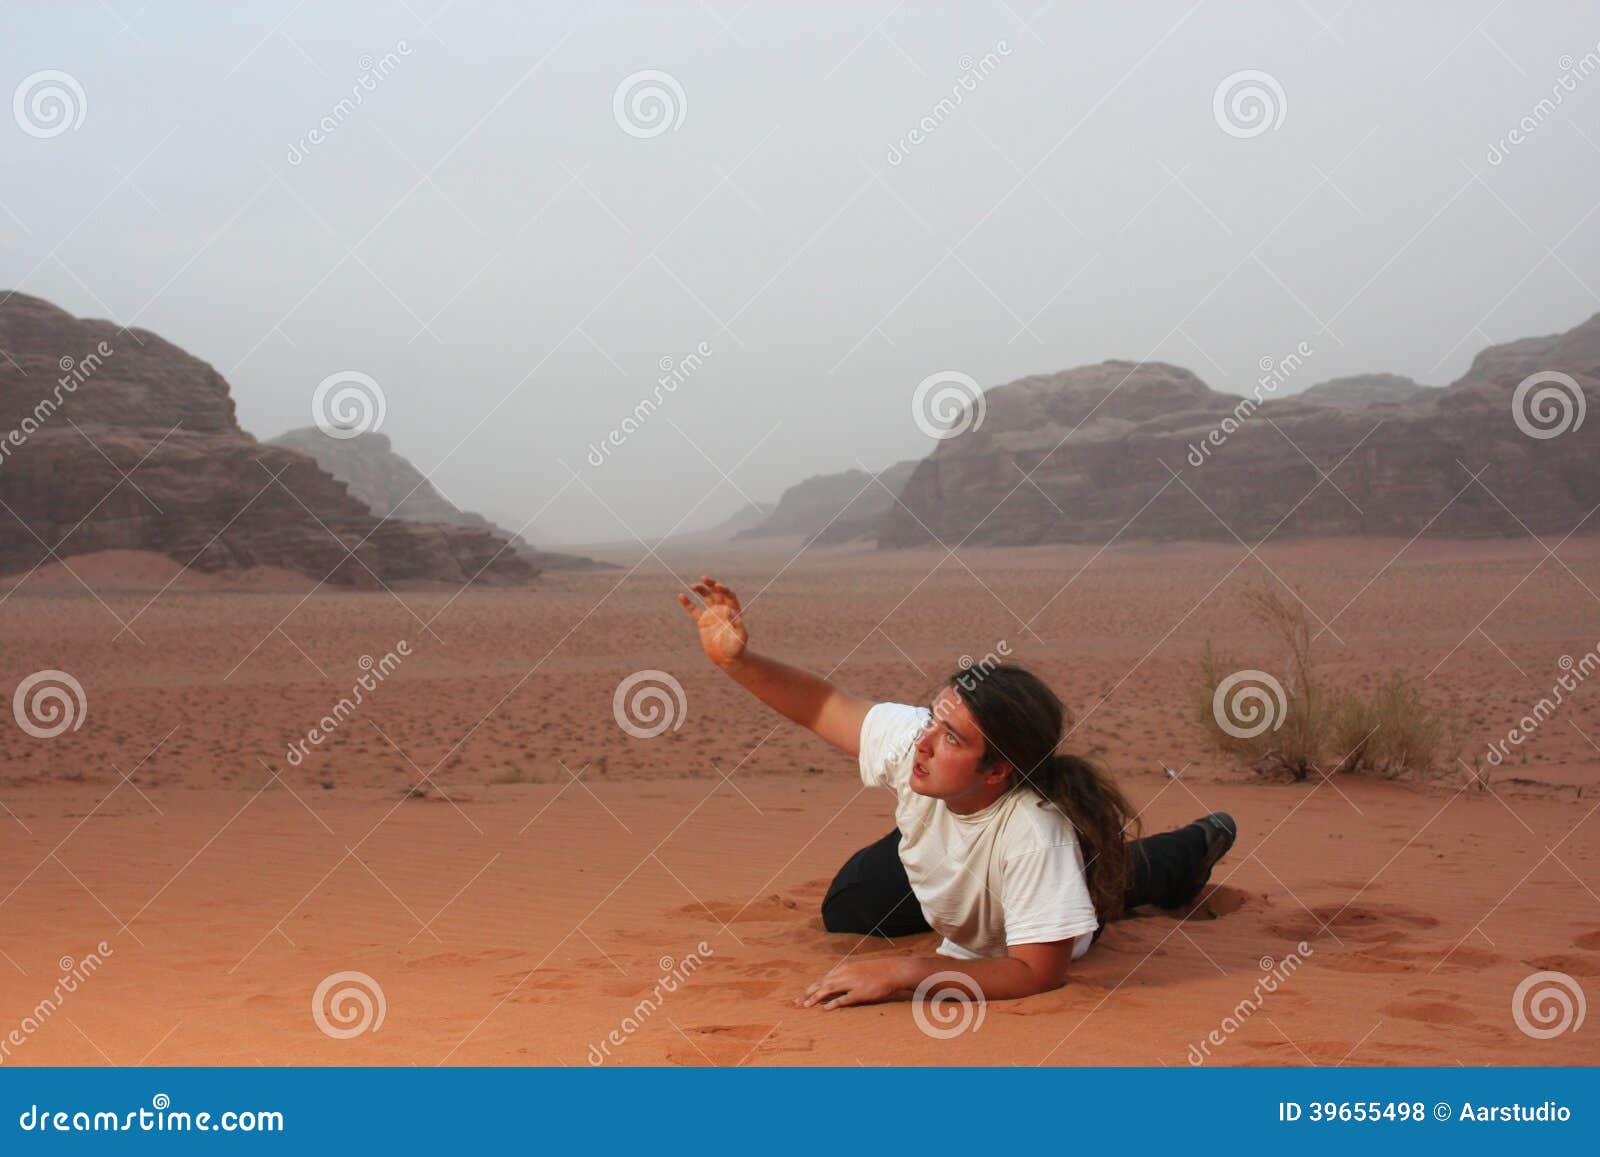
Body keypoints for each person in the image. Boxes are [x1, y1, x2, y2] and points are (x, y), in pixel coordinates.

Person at [677, 575, 1237, 1009]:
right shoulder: (919, 743)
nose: (924, 742)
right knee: (848, 907)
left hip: (1038, 870)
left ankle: (1190, 847)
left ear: (996, 771)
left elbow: (1038, 973)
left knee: (1114, 881)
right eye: (935, 720)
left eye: (950, 738)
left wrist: (908, 972)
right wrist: (738, 661)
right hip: (957, 831)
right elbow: (823, 706)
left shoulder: (1036, 837)